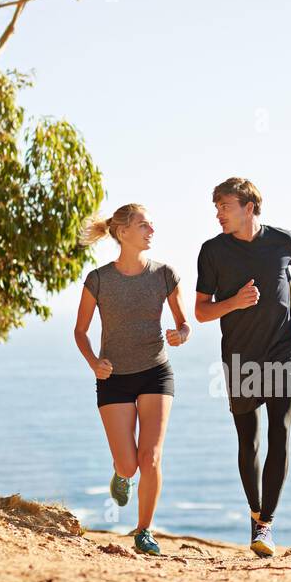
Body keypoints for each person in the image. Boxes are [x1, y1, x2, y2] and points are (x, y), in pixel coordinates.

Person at [194, 177, 291, 557]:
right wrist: (235, 303)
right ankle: (255, 513)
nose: (218, 214)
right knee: (249, 441)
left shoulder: (283, 240)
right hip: (241, 358)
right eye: (216, 208)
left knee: (280, 430)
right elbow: (201, 311)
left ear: (249, 207)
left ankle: (266, 526)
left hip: (283, 350)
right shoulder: (212, 251)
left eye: (224, 206)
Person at [75, 203, 190, 556]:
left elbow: (184, 323)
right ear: (123, 232)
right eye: (144, 225)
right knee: (129, 464)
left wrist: (181, 334)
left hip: (156, 371)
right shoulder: (98, 279)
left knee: (150, 458)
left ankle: (143, 531)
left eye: (151, 224)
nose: (151, 230)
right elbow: (80, 331)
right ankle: (121, 475)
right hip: (114, 377)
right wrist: (95, 362)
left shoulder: (165, 274)